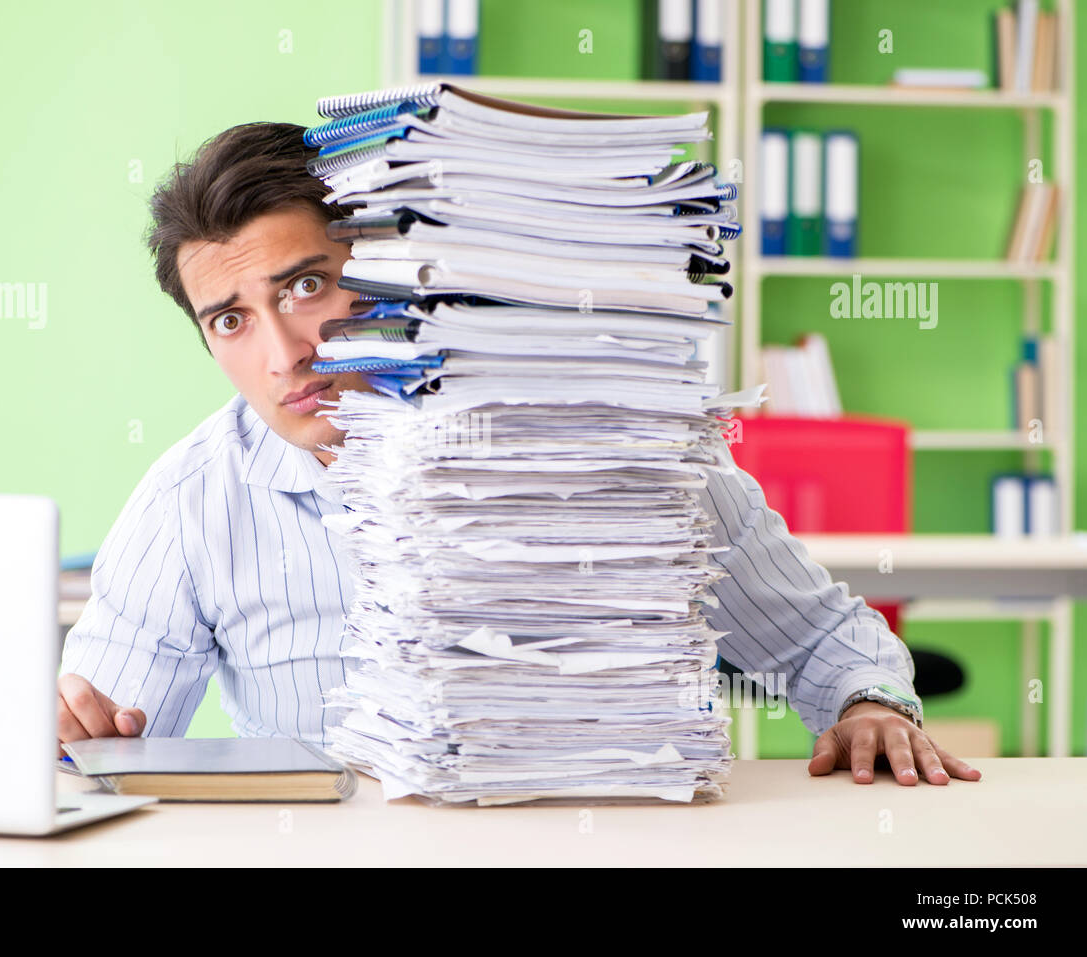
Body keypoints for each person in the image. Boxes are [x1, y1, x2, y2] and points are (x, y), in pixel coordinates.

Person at [57, 121, 981, 788]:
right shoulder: (191, 499)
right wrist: (70, 733)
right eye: (231, 320)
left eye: (306, 285)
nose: (282, 352)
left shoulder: (614, 436)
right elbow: (109, 745)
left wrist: (871, 706)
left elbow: (821, 639)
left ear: (383, 262)